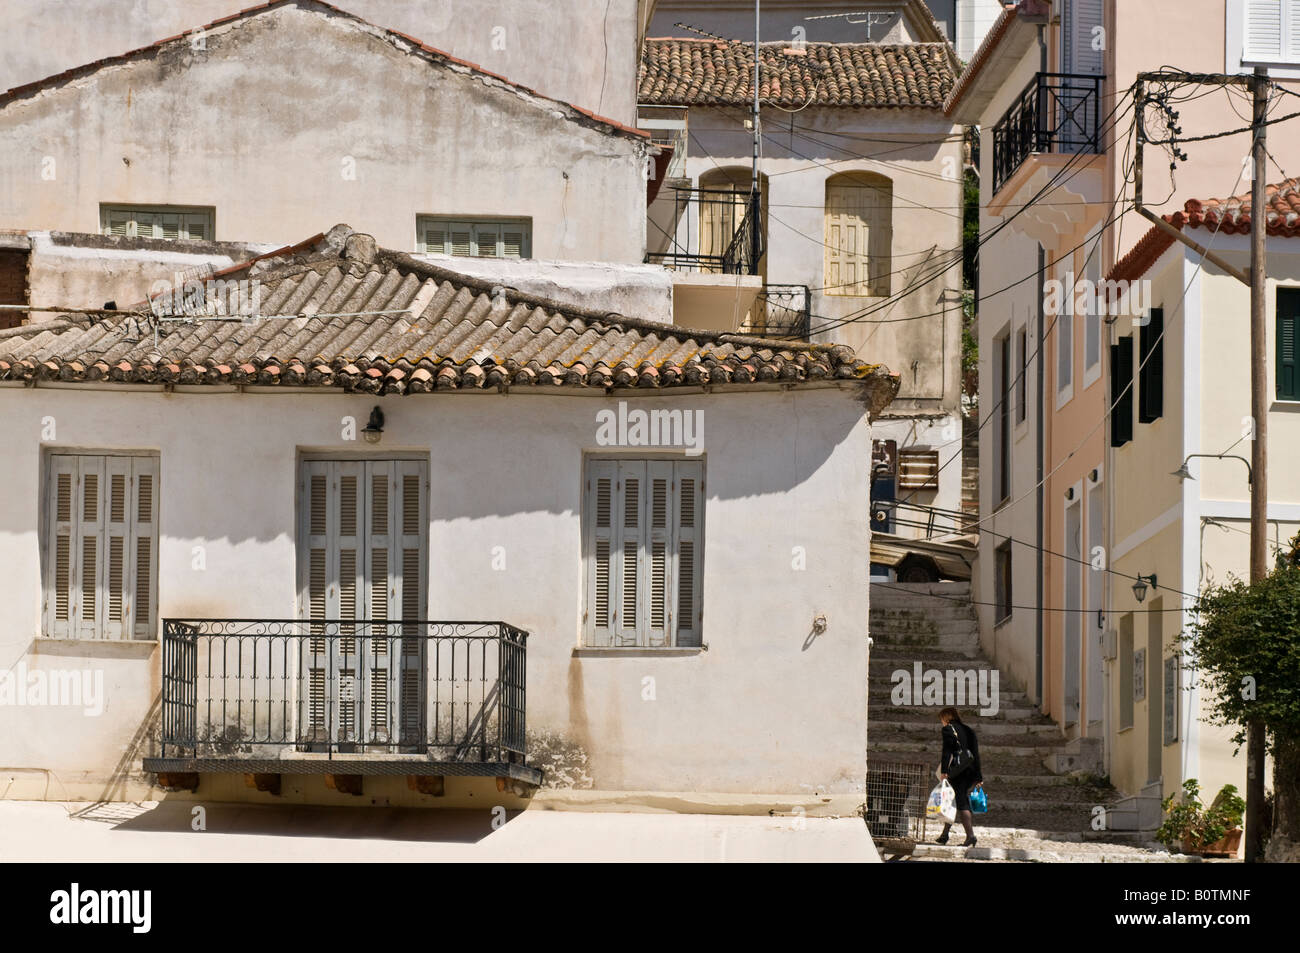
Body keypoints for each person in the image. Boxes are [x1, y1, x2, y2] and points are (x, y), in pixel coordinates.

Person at [935, 706, 982, 847]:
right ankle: (944, 835)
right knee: (952, 801)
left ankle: (970, 836)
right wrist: (979, 776)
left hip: (957, 772)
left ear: (946, 718)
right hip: (970, 771)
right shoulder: (969, 730)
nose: (941, 722)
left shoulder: (948, 729)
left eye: (941, 719)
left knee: (961, 802)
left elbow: (947, 752)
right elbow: (976, 754)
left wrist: (944, 771)